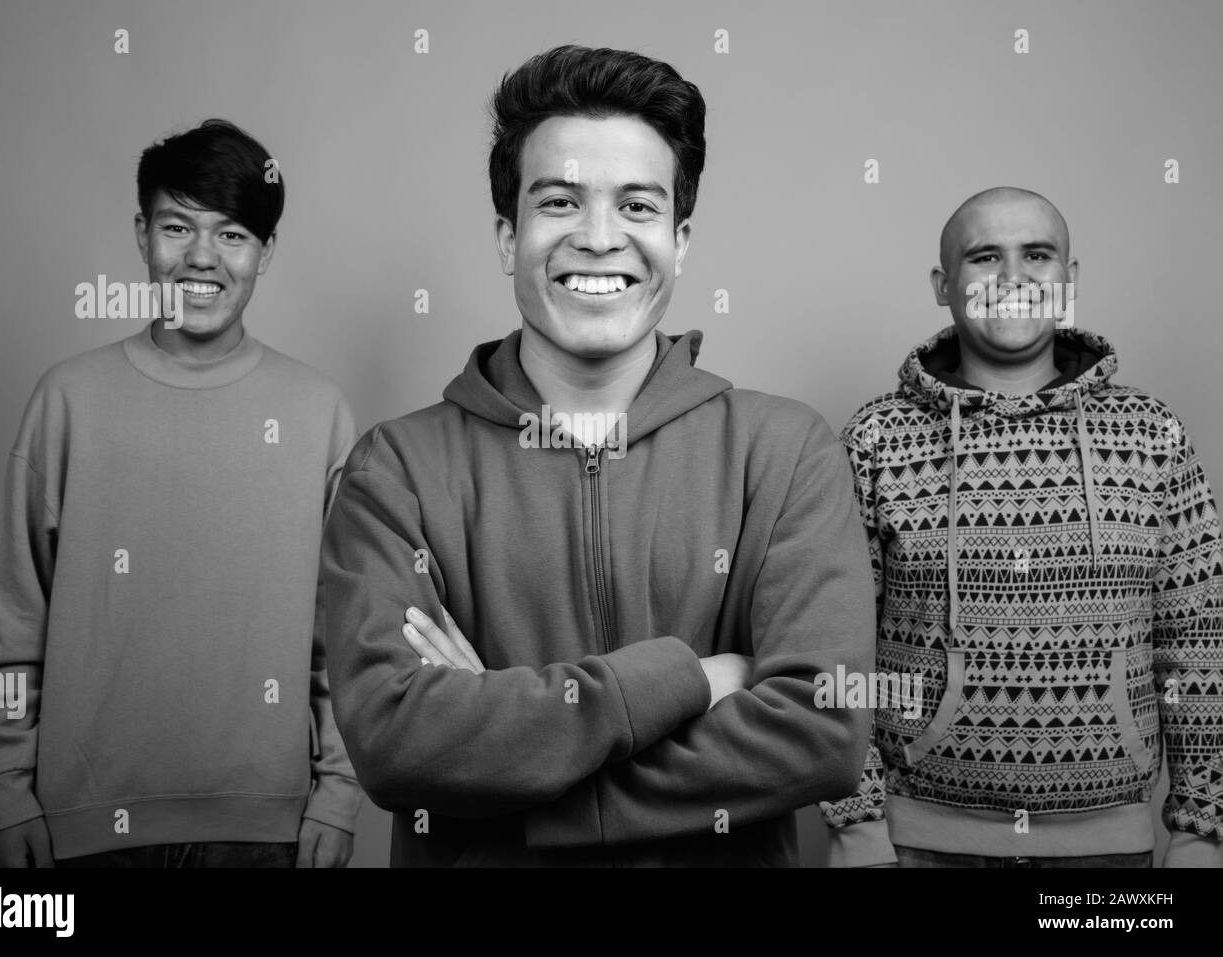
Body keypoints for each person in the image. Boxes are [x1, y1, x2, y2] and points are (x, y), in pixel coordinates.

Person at [322, 45, 875, 867]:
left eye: (637, 206)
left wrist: (503, 761)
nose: (599, 237)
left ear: (680, 240)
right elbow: (400, 744)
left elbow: (821, 734)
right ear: (509, 235)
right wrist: (688, 678)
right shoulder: (393, 469)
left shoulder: (786, 452)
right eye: (560, 201)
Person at [0, 119, 363, 867]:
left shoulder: (319, 413)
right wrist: (6, 789)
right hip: (80, 825)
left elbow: (341, 634)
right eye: (178, 227)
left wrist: (339, 792)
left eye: (234, 234)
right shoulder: (67, 402)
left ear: (266, 251)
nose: (203, 257)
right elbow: (14, 620)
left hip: (268, 832)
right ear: (142, 233)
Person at [820, 186, 1223, 868]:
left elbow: (1199, 639)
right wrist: (854, 824)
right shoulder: (874, 438)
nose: (1011, 278)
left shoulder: (1151, 435)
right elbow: (836, 642)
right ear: (943, 284)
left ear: (1068, 279)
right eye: (984, 257)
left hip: (1111, 853)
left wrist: (1201, 827)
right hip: (917, 844)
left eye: (1037, 254)